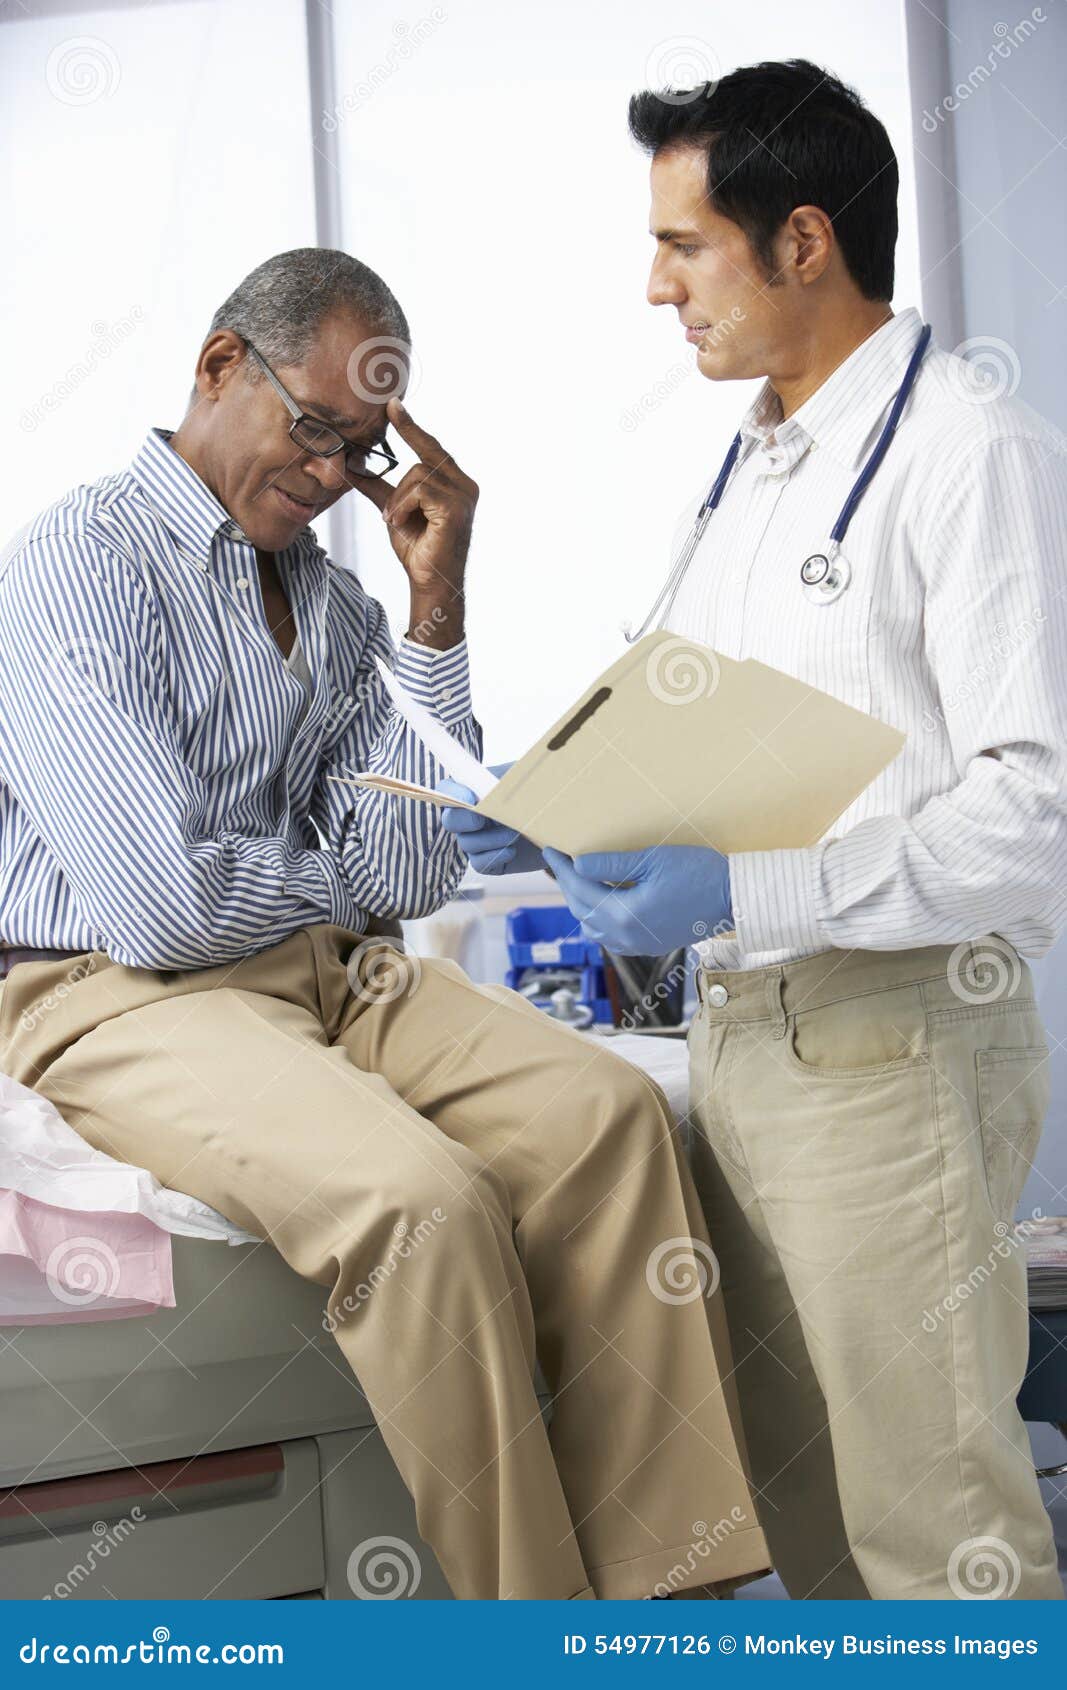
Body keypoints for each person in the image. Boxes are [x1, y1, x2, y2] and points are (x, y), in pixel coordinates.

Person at [0, 248, 772, 1601]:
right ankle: (529, 1631)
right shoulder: (79, 564)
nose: (330, 475)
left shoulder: (344, 604)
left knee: (611, 1121)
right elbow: (157, 903)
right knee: (426, 1201)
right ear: (220, 365)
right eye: (314, 427)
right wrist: (335, 874)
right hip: (108, 989)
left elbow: (410, 869)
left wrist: (435, 602)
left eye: (362, 451)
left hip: (328, 974)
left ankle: (671, 1594)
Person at [440, 61, 1067, 1600]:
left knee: (936, 1534)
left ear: (803, 241)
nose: (656, 289)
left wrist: (751, 880)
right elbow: (709, 730)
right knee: (804, 1522)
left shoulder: (969, 449)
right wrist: (566, 805)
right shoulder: (752, 470)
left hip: (892, 1038)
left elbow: (1036, 810)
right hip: (743, 1043)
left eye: (684, 245)